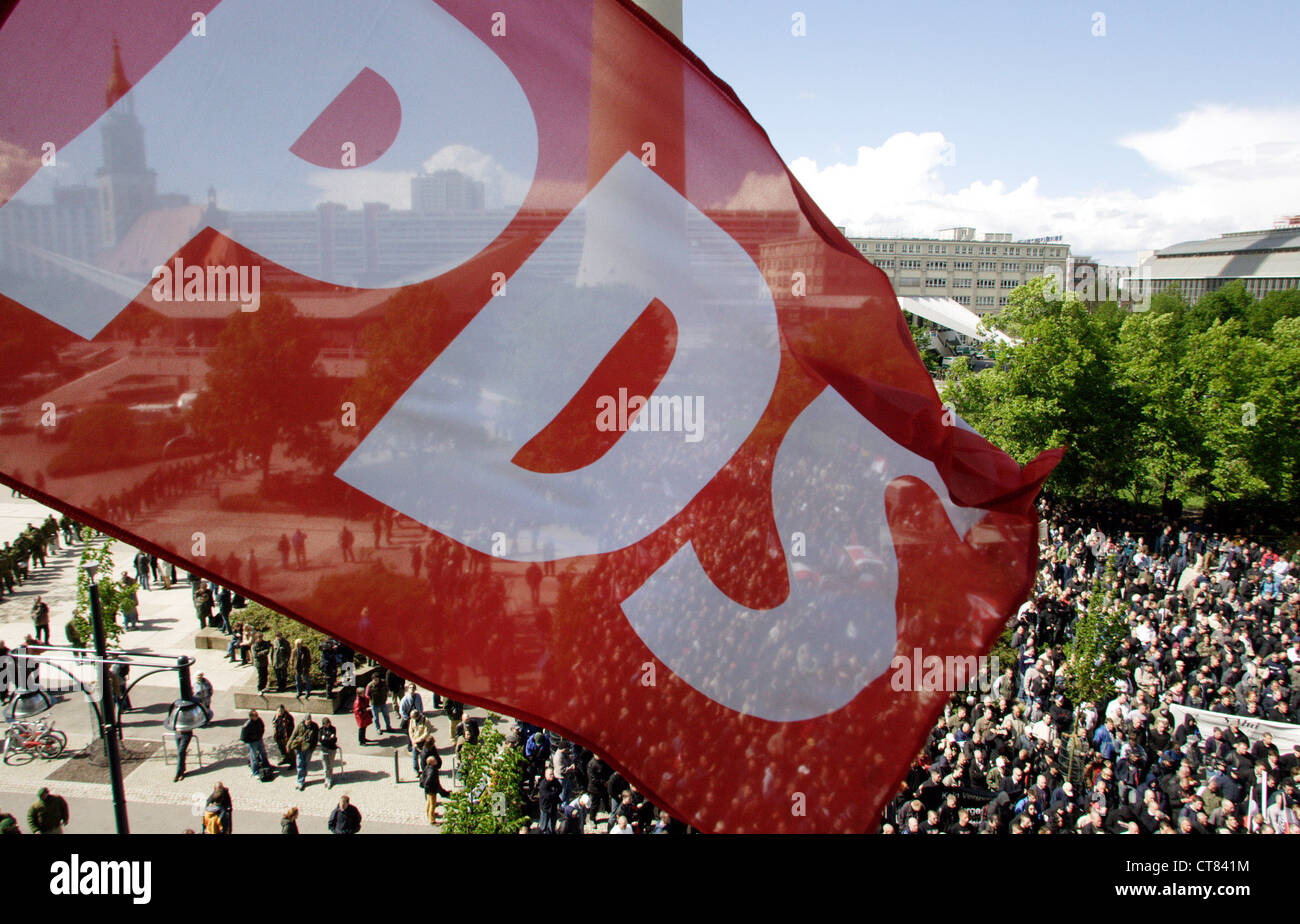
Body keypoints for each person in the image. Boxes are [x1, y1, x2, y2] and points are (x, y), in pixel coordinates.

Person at [287, 713, 319, 791]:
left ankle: (303, 776)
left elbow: (315, 738)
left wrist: (313, 748)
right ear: (304, 720)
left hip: (308, 748)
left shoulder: (314, 726)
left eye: (310, 720)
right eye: (307, 720)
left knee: (306, 763)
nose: (308, 722)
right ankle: (300, 781)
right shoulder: (300, 725)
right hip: (300, 747)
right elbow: (293, 735)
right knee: (300, 763)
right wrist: (288, 745)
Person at [420, 754, 449, 825]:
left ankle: (429, 815)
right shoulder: (432, 771)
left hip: (428, 790)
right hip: (432, 790)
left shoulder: (427, 768)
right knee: (433, 804)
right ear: (432, 762)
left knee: (429, 803)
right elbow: (428, 781)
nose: (436, 761)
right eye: (434, 761)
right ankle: (432, 820)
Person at [241, 709, 270, 778]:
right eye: (255, 716)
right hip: (253, 742)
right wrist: (251, 740)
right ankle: (255, 772)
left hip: (259, 739)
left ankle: (266, 766)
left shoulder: (259, 720)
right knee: (254, 757)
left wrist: (260, 735)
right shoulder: (247, 725)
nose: (257, 716)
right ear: (251, 717)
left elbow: (262, 727)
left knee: (263, 753)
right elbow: (243, 737)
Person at [319, 717, 340, 788]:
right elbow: (320, 740)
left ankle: (329, 779)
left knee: (330, 766)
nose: (327, 725)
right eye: (325, 724)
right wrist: (329, 738)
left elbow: (333, 740)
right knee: (325, 767)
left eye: (328, 723)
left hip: (331, 750)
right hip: (324, 750)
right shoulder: (321, 730)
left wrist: (325, 738)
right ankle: (326, 779)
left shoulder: (333, 729)